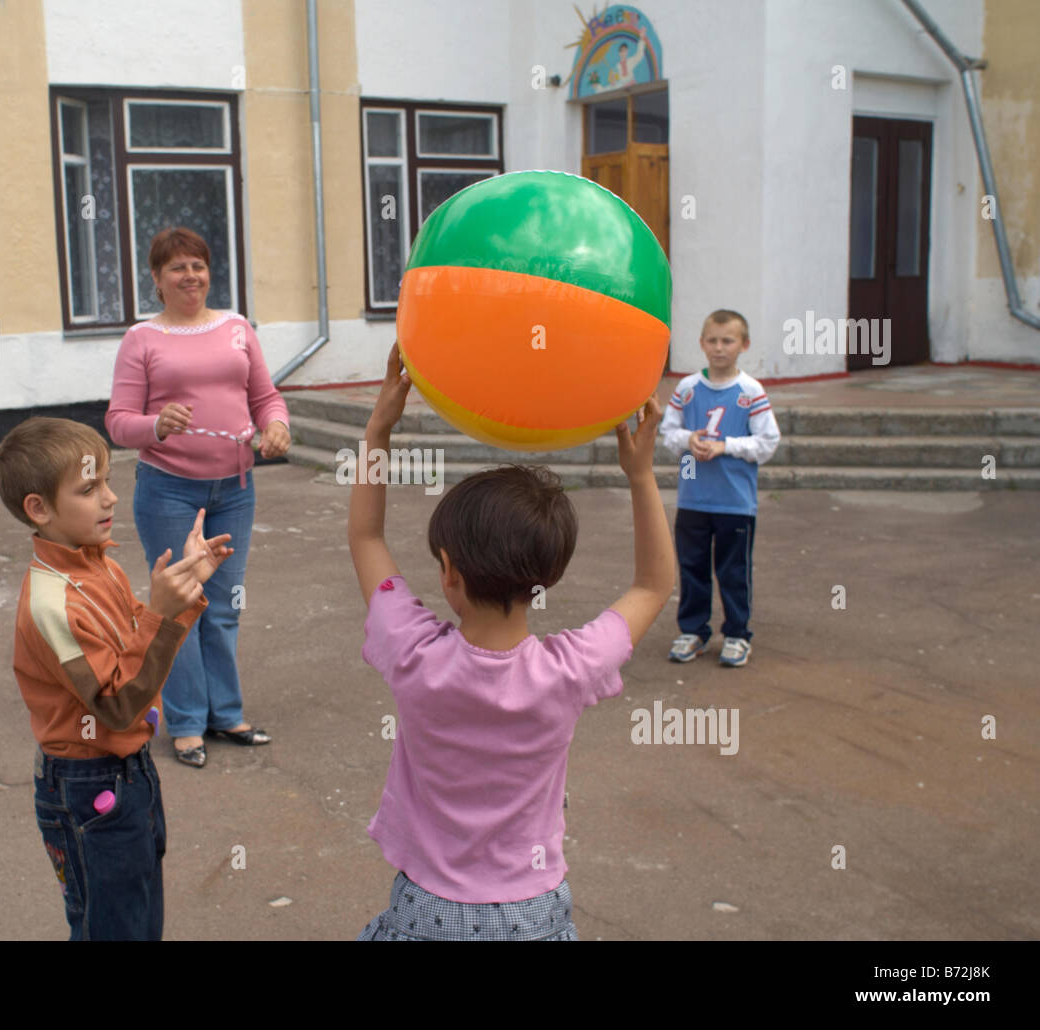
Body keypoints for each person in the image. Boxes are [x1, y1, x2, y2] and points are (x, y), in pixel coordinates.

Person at [348, 343, 675, 940]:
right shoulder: (572, 669)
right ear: (546, 578)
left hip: (430, 909)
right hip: (535, 911)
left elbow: (367, 537)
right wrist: (641, 472)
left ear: (448, 574)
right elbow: (654, 585)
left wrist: (379, 428)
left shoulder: (411, 652)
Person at [0, 416, 233, 940]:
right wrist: (162, 616)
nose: (109, 499)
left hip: (131, 772)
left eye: (108, 481)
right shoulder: (51, 604)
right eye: (88, 488)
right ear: (39, 509)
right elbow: (118, 705)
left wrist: (183, 592)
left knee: (138, 920)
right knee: (112, 928)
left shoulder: (103, 566)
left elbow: (132, 658)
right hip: (87, 785)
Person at [106, 227, 290, 768]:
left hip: (234, 490)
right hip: (168, 491)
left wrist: (275, 425)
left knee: (225, 606)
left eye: (198, 265)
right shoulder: (142, 339)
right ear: (157, 280)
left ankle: (226, 714)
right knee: (182, 604)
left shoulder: (237, 328)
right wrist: (156, 425)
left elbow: (265, 396)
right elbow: (118, 423)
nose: (190, 276)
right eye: (177, 268)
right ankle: (186, 722)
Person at [659, 309, 781, 667]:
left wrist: (727, 446)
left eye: (727, 340)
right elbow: (668, 433)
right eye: (712, 340)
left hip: (735, 502)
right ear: (701, 343)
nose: (719, 347)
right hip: (693, 495)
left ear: (744, 345)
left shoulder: (750, 391)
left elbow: (768, 441)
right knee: (692, 566)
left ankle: (738, 634)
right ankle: (693, 631)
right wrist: (688, 439)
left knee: (733, 570)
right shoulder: (687, 388)